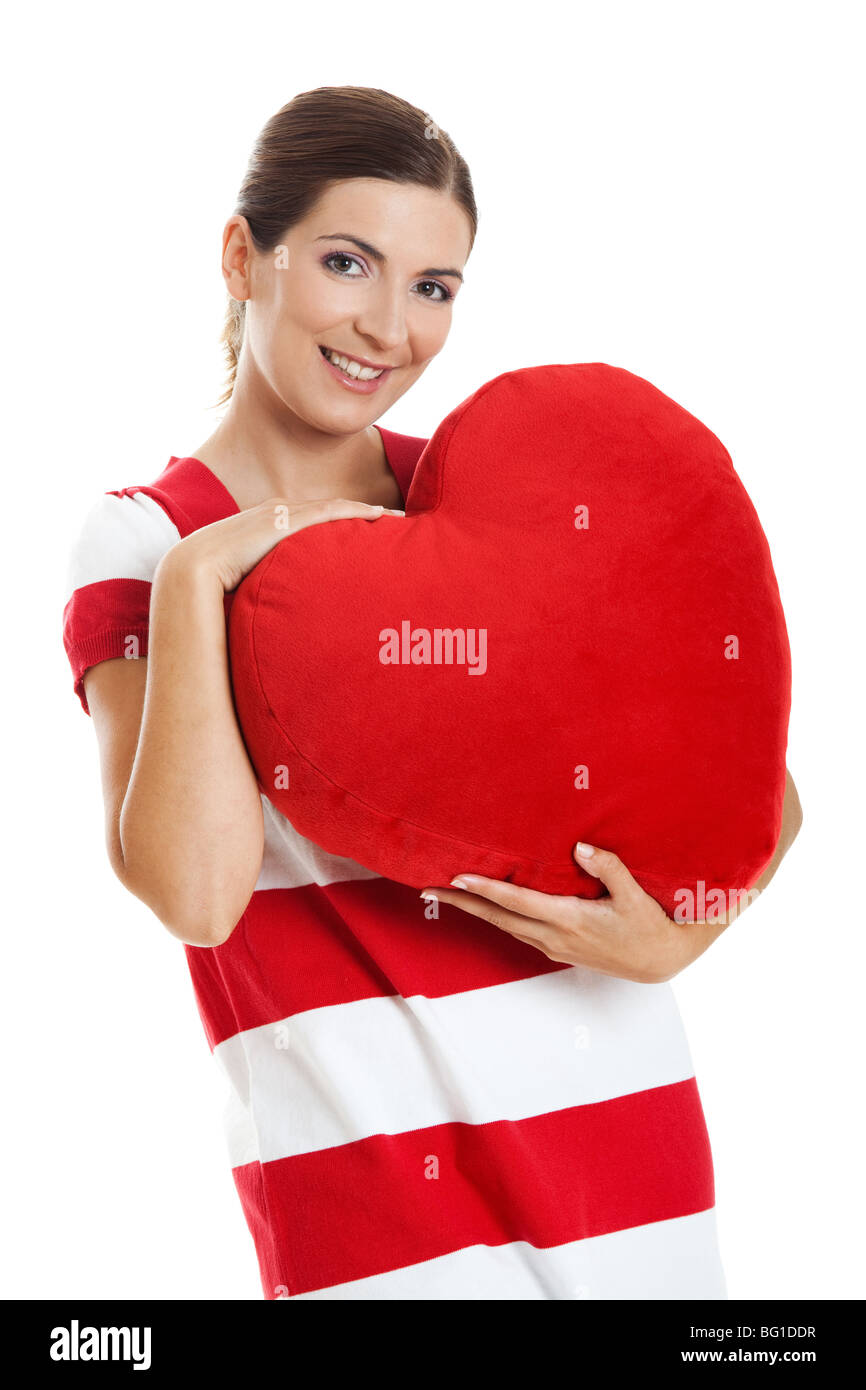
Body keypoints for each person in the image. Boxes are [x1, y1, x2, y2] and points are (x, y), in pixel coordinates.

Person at [62, 85, 803, 1300]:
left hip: (627, 1166)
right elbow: (196, 894)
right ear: (244, 255)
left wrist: (681, 930)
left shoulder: (500, 509)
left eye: (434, 286)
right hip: (374, 1209)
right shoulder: (150, 542)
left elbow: (753, 786)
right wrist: (208, 576)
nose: (388, 327)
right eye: (348, 263)